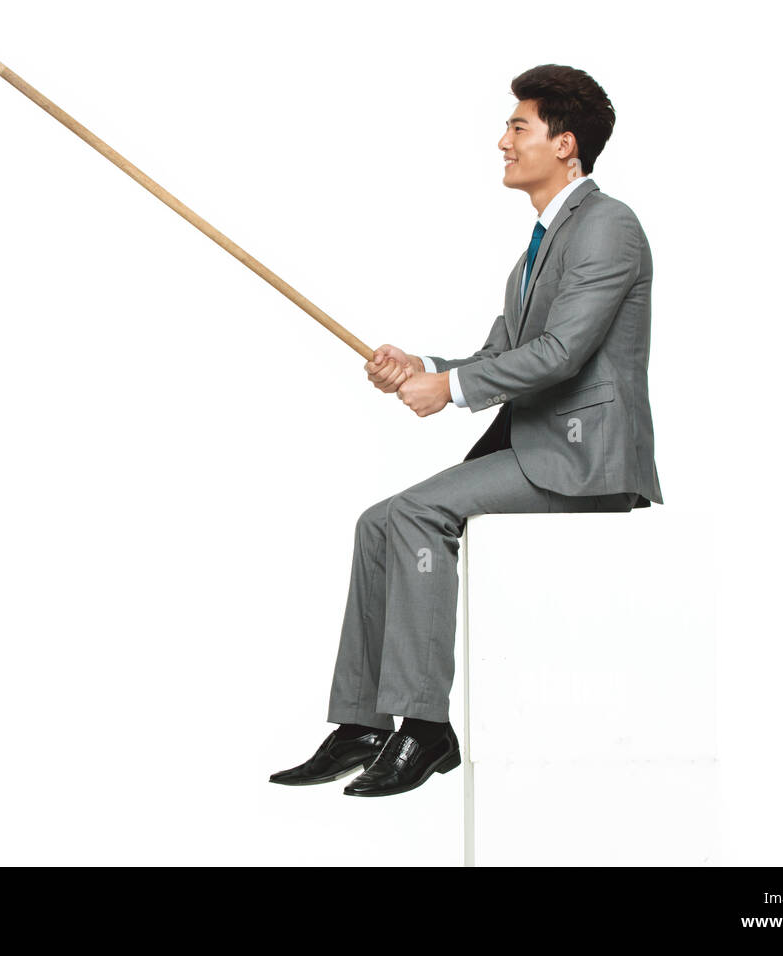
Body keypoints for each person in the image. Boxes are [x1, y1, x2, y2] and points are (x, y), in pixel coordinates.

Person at [269, 64, 663, 798]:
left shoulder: (609, 225)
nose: (503, 142)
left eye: (520, 127)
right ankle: (362, 723)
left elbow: (562, 355)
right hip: (535, 450)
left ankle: (424, 728)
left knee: (419, 514)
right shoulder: (538, 249)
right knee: (378, 521)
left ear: (566, 143)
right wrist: (418, 364)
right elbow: (502, 357)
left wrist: (446, 389)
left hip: (584, 463)